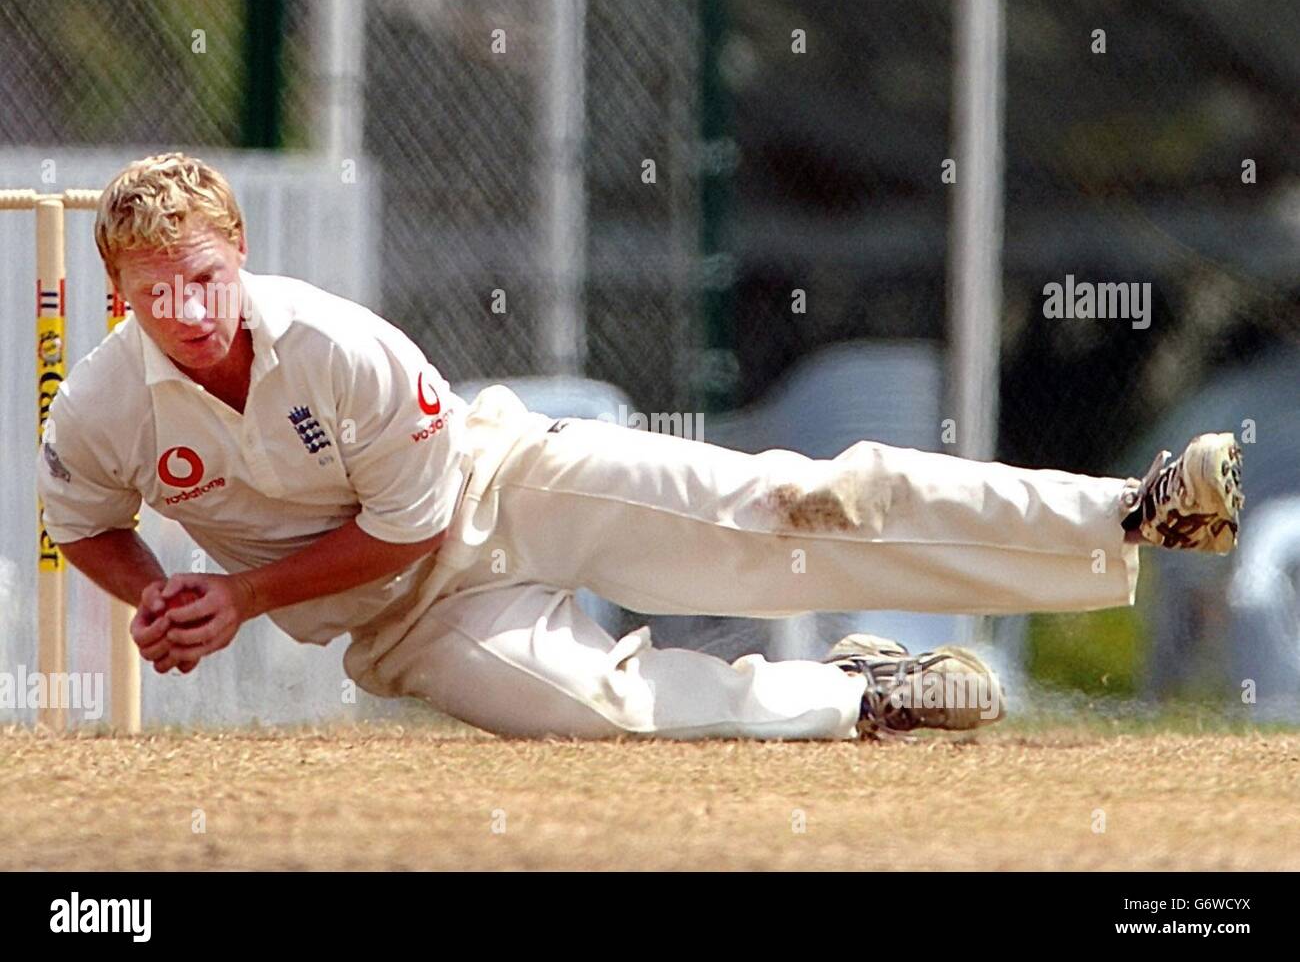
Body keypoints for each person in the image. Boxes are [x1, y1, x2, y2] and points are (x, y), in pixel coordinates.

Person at [37, 153, 1244, 740]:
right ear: (116, 291)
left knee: (787, 511)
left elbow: (407, 521)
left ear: (236, 253)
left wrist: (237, 594)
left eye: (200, 278)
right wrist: (160, 599)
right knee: (604, 713)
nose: (184, 313)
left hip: (506, 486)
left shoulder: (343, 344)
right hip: (404, 623)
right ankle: (860, 693)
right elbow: (80, 517)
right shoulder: (102, 403)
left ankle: (1127, 508)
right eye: (152, 292)